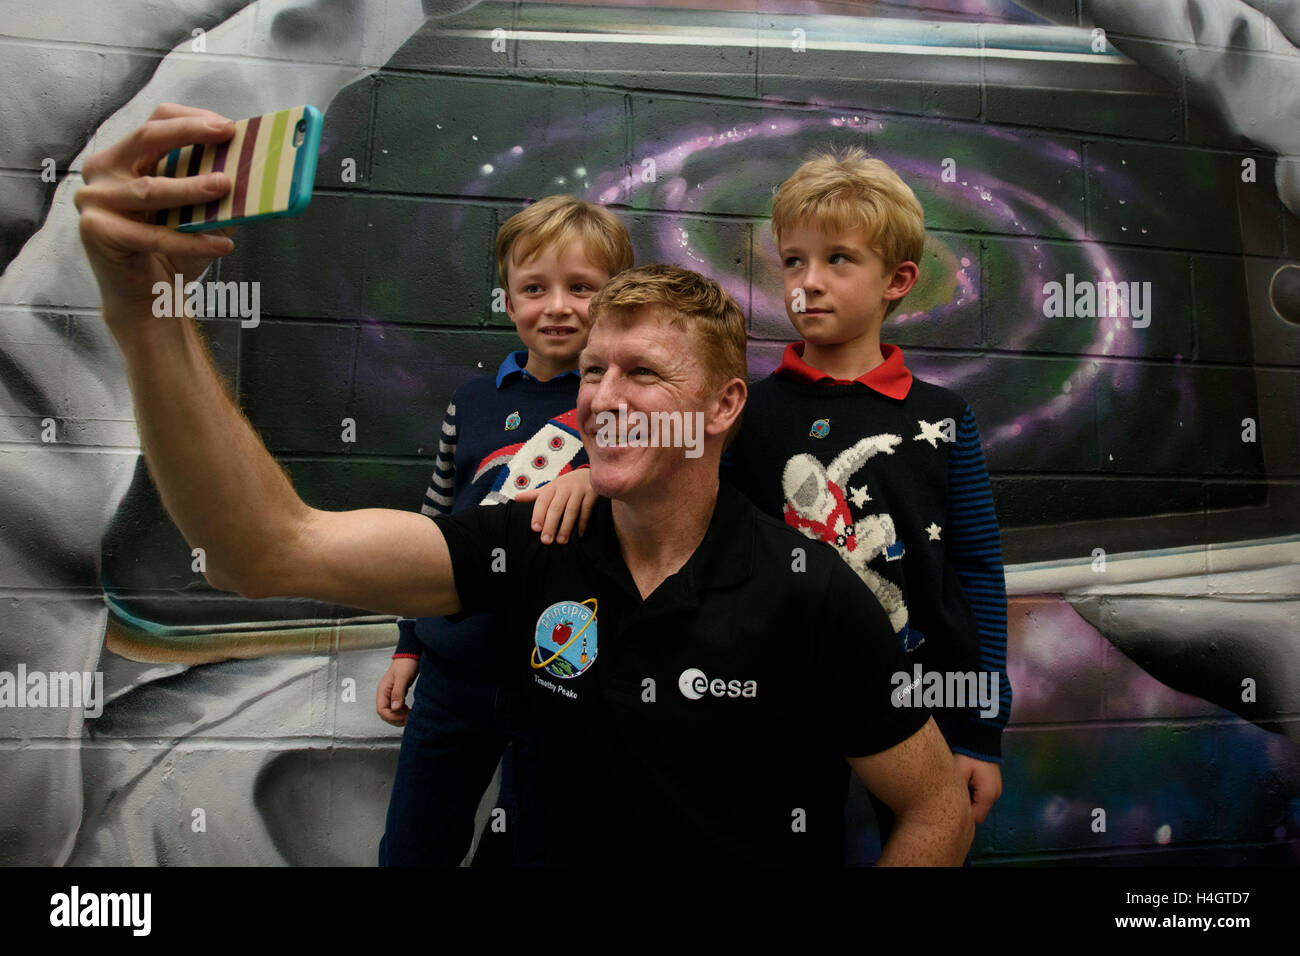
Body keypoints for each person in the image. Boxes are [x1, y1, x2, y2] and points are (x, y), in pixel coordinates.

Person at [75, 105, 973, 865]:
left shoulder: (811, 593)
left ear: (723, 405)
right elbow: (264, 548)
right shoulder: (528, 543)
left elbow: (936, 807)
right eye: (591, 373)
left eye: (642, 375)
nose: (603, 401)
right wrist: (144, 309)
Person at [531, 148, 1011, 852]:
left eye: (838, 261)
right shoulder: (740, 410)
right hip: (774, 696)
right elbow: (651, 462)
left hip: (920, 702)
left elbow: (977, 573)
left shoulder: (943, 416)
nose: (808, 284)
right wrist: (582, 472)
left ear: (899, 280)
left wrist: (982, 730)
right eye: (793, 261)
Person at [374, 195, 631, 866]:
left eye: (582, 289)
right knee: (411, 847)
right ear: (508, 299)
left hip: (558, 680)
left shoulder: (626, 406)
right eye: (534, 288)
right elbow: (433, 528)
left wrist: (597, 479)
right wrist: (410, 642)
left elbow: (674, 501)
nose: (557, 307)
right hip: (452, 671)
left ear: (614, 300)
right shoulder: (473, 401)